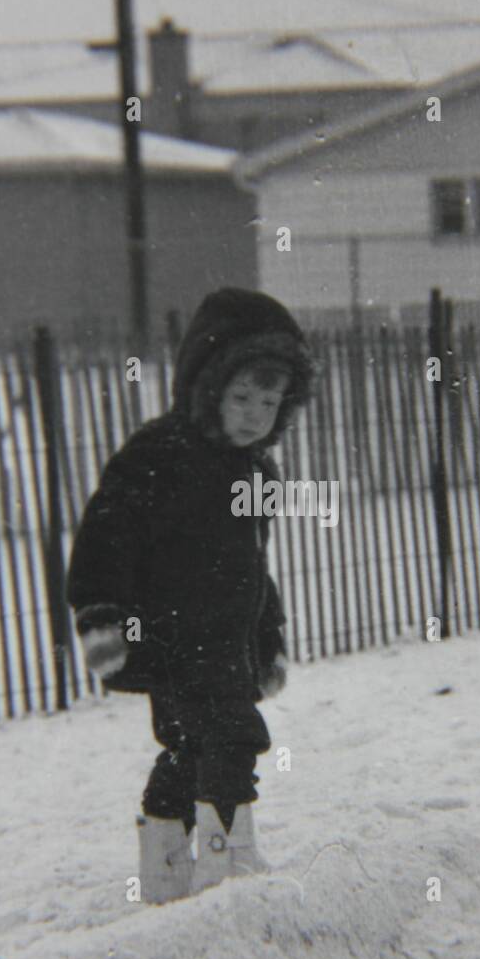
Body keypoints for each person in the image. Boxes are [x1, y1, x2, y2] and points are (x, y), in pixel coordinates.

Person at [66, 288, 315, 903]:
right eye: (241, 397)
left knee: (189, 746)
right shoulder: (159, 455)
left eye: (269, 400)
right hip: (169, 633)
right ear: (207, 388)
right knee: (232, 737)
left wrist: (270, 635)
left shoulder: (257, 471)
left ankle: (165, 864)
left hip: (226, 639)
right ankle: (232, 861)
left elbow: (254, 566)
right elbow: (107, 533)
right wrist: (101, 616)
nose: (255, 413)